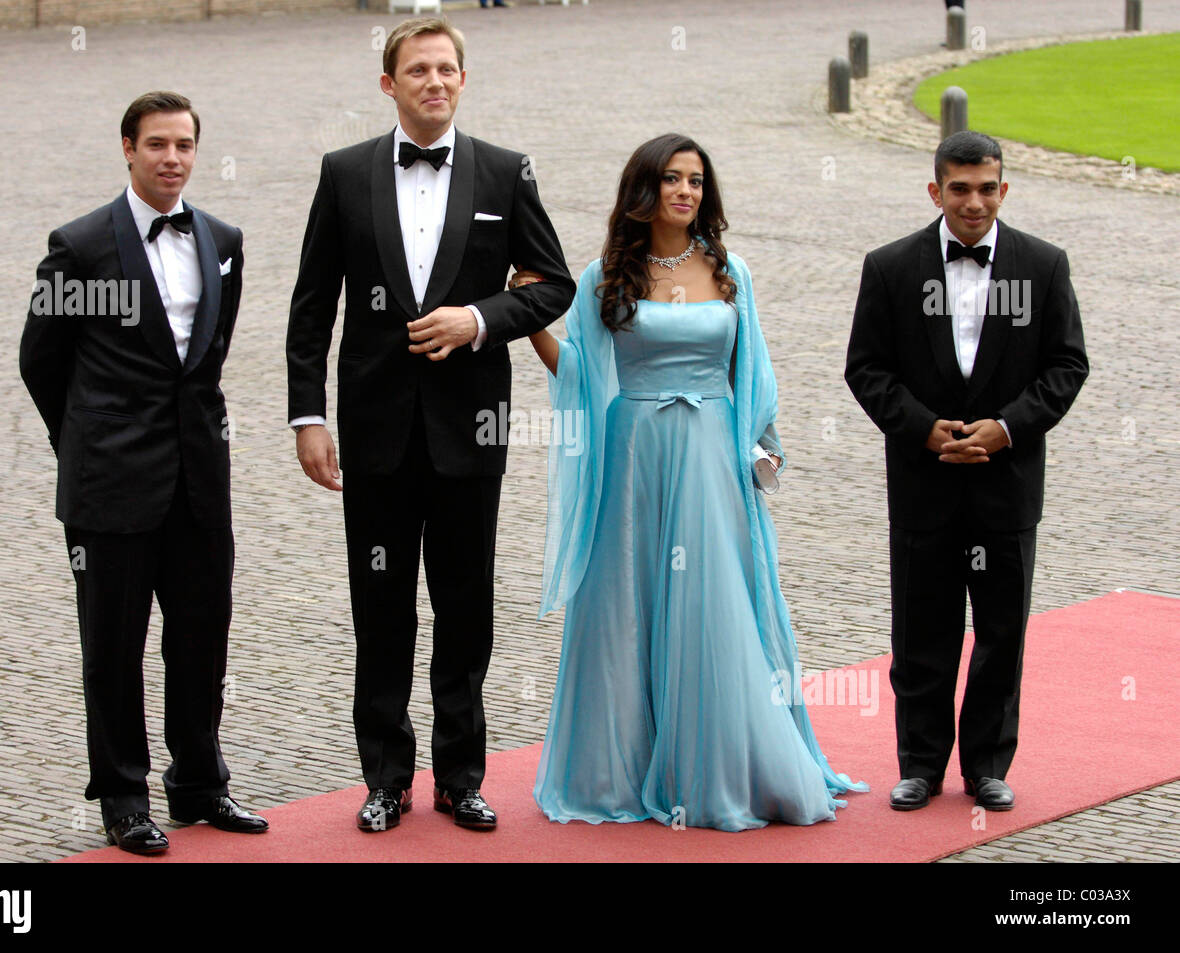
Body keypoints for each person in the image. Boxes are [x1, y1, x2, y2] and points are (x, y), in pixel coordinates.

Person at [527, 134, 866, 831]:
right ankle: (617, 767)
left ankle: (723, 768)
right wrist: (532, 325)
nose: (686, 191)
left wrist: (761, 449)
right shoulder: (602, 277)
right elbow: (585, 380)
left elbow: (756, 376)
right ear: (644, 191)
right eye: (673, 179)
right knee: (626, 598)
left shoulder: (730, 269)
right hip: (633, 453)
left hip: (713, 452)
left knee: (715, 601)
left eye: (697, 181)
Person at [286, 16, 574, 832]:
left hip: (470, 432)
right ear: (390, 84)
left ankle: (461, 774)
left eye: (448, 68)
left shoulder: (504, 172)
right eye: (419, 70)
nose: (435, 81)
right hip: (374, 432)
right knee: (380, 609)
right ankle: (384, 776)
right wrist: (308, 415)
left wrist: (477, 321)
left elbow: (553, 285)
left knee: (465, 606)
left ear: (462, 79)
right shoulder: (343, 174)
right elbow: (312, 309)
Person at [20, 91, 268, 854]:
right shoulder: (82, 244)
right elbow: (41, 360)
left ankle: (199, 783)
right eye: (157, 145)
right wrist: (90, 446)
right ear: (127, 148)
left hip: (199, 481)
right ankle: (123, 797)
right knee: (113, 647)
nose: (172, 159)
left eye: (185, 145)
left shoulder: (223, 239)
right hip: (110, 487)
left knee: (202, 639)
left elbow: (207, 358)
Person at [845, 131, 1088, 812]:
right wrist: (924, 429)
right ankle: (919, 762)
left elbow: (1067, 365)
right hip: (923, 487)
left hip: (1005, 489)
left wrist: (1006, 427)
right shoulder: (891, 267)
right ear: (935, 191)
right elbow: (866, 368)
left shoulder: (1043, 265)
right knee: (920, 634)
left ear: (1004, 189)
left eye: (987, 188)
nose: (974, 201)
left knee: (1001, 634)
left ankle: (987, 763)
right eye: (960, 188)